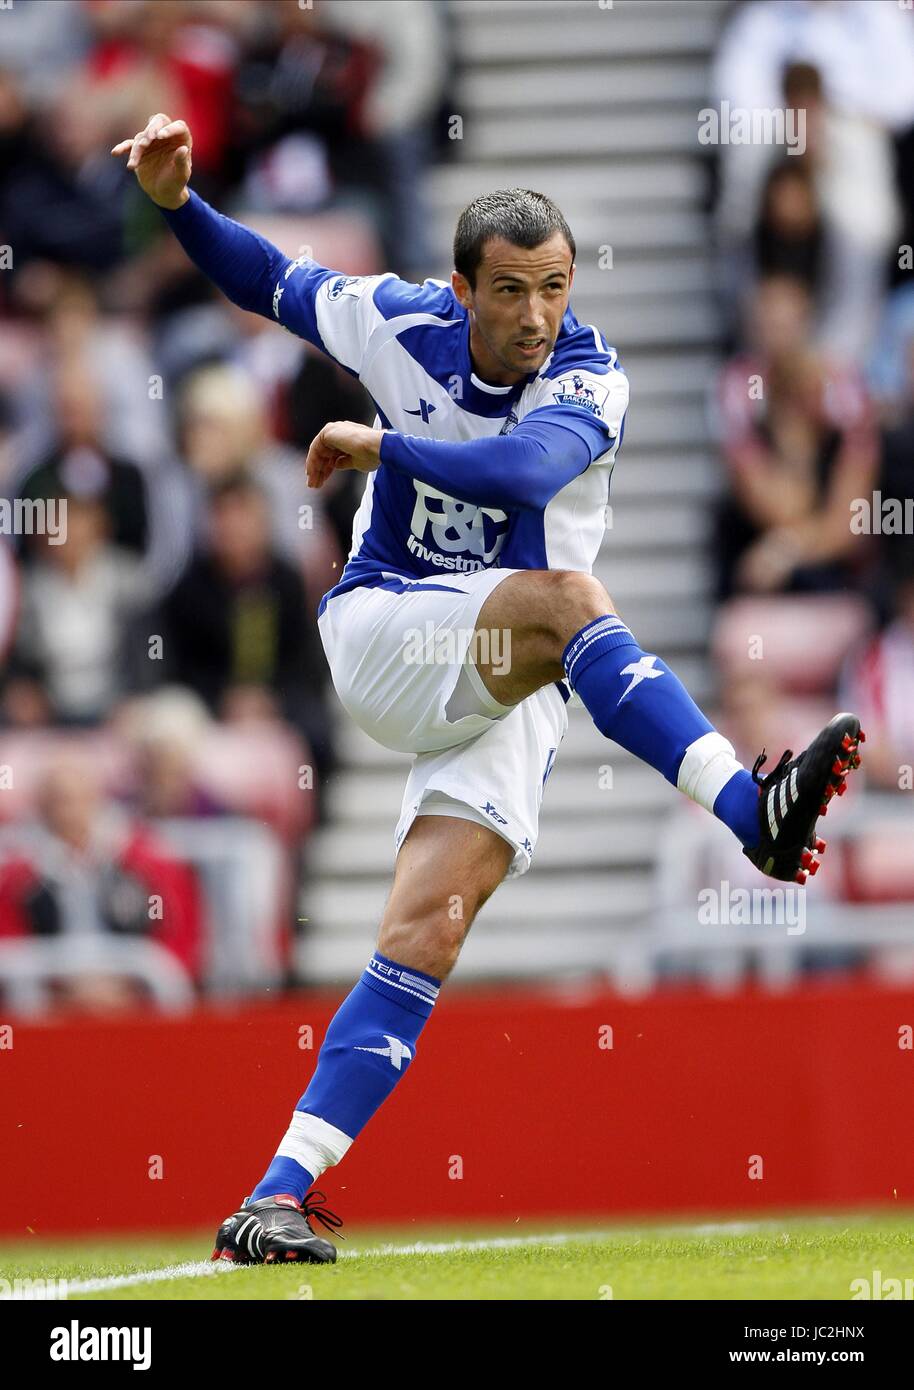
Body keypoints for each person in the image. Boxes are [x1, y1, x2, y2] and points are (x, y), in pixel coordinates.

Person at [113, 113, 866, 1266]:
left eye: (552, 289)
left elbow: (519, 467)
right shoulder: (395, 321)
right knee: (569, 599)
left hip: (512, 680)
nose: (533, 317)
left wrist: (380, 446)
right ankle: (745, 812)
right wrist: (177, 202)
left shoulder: (589, 376)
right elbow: (265, 278)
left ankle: (271, 1197)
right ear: (459, 287)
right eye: (509, 291)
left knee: (425, 931)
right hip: (387, 636)